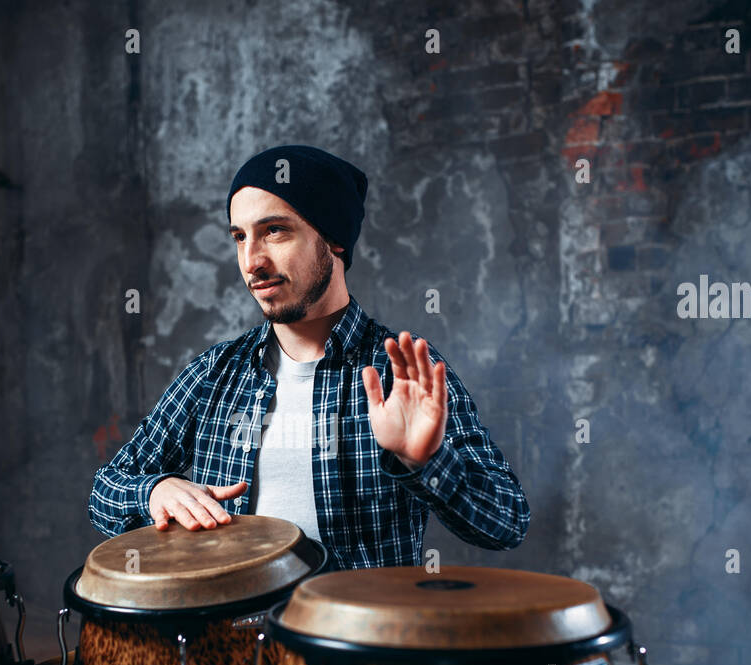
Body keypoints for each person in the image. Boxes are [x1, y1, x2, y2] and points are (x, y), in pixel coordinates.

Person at [88, 144, 530, 570]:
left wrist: (426, 461)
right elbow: (105, 491)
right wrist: (154, 491)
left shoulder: (402, 371)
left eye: (274, 231)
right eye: (240, 237)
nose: (251, 261)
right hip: (233, 642)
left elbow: (507, 523)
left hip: (357, 640)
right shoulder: (215, 373)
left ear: (334, 240)